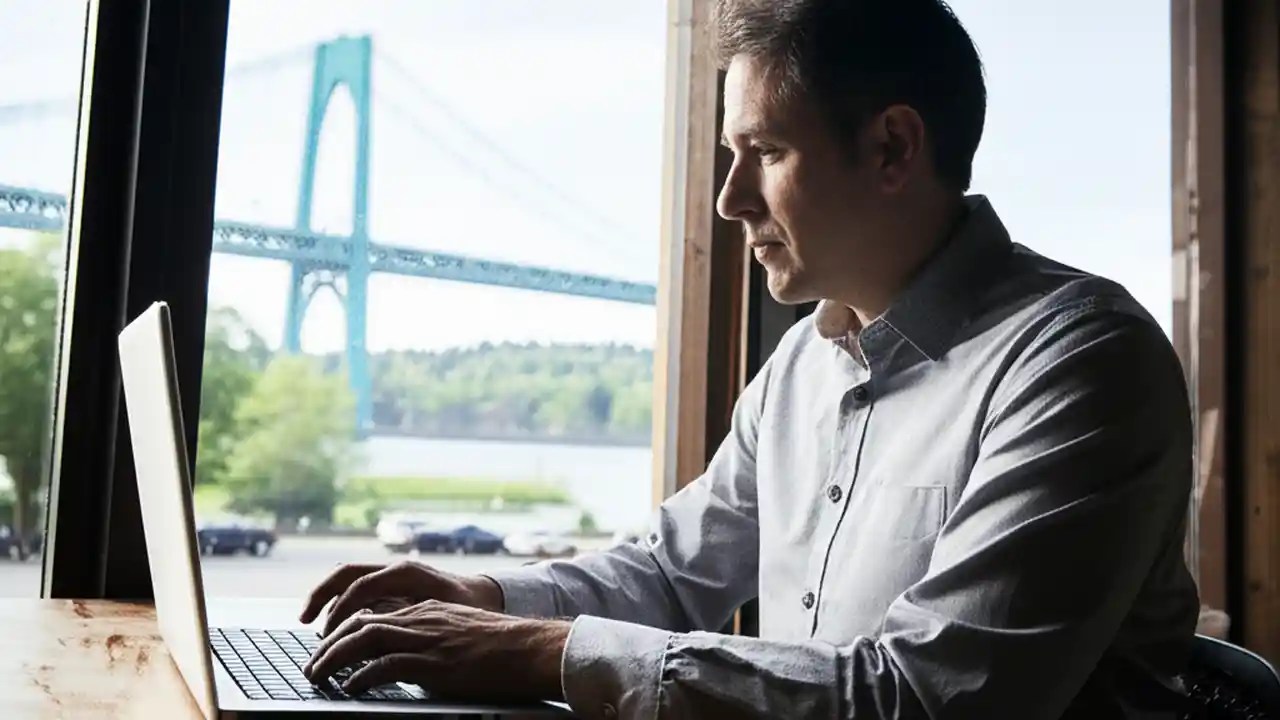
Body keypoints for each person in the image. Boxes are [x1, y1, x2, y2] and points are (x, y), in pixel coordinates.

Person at [299, 1, 1201, 717]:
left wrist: (543, 652)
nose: (731, 200)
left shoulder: (1078, 363)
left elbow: (929, 700)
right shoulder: (807, 365)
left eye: (764, 152)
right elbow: (668, 573)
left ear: (891, 146)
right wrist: (486, 595)